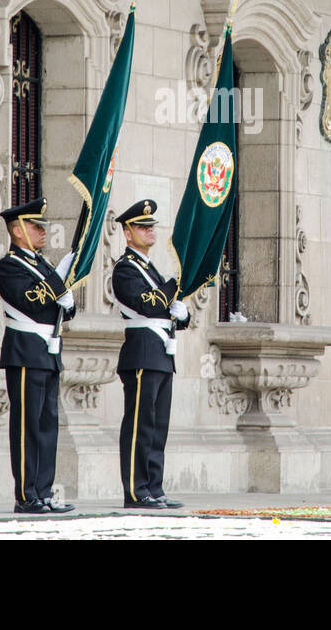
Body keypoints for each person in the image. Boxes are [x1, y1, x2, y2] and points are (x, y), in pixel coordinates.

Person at [0, 197, 75, 514]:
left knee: (47, 426)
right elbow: (31, 300)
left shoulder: (42, 265)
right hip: (25, 352)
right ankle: (27, 495)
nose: (43, 231)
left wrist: (67, 301)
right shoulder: (10, 266)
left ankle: (43, 491)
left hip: (47, 351)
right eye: (34, 226)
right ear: (16, 231)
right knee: (28, 426)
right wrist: (59, 280)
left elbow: (56, 307)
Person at [111, 200, 189, 510]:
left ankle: (154, 488)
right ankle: (136, 490)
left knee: (158, 427)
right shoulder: (125, 268)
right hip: (142, 352)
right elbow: (148, 302)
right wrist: (175, 286)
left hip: (160, 352)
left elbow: (166, 306)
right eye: (142, 227)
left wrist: (181, 315)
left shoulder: (148, 267)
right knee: (140, 425)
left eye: (151, 226)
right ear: (128, 233)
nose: (149, 231)